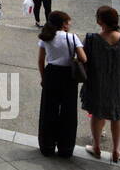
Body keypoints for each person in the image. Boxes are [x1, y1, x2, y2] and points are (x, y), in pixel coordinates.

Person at [80, 5, 120, 163]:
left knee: (97, 114)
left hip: (97, 84)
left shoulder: (92, 39)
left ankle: (97, 147)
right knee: (117, 118)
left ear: (100, 21)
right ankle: (115, 151)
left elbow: (81, 57)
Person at [36, 10, 86, 158]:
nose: (70, 24)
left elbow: (40, 61)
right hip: (68, 76)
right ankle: (66, 147)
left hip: (51, 73)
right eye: (68, 21)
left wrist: (44, 77)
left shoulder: (46, 37)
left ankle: (47, 145)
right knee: (68, 111)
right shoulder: (72, 38)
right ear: (63, 24)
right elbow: (83, 58)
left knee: (48, 109)